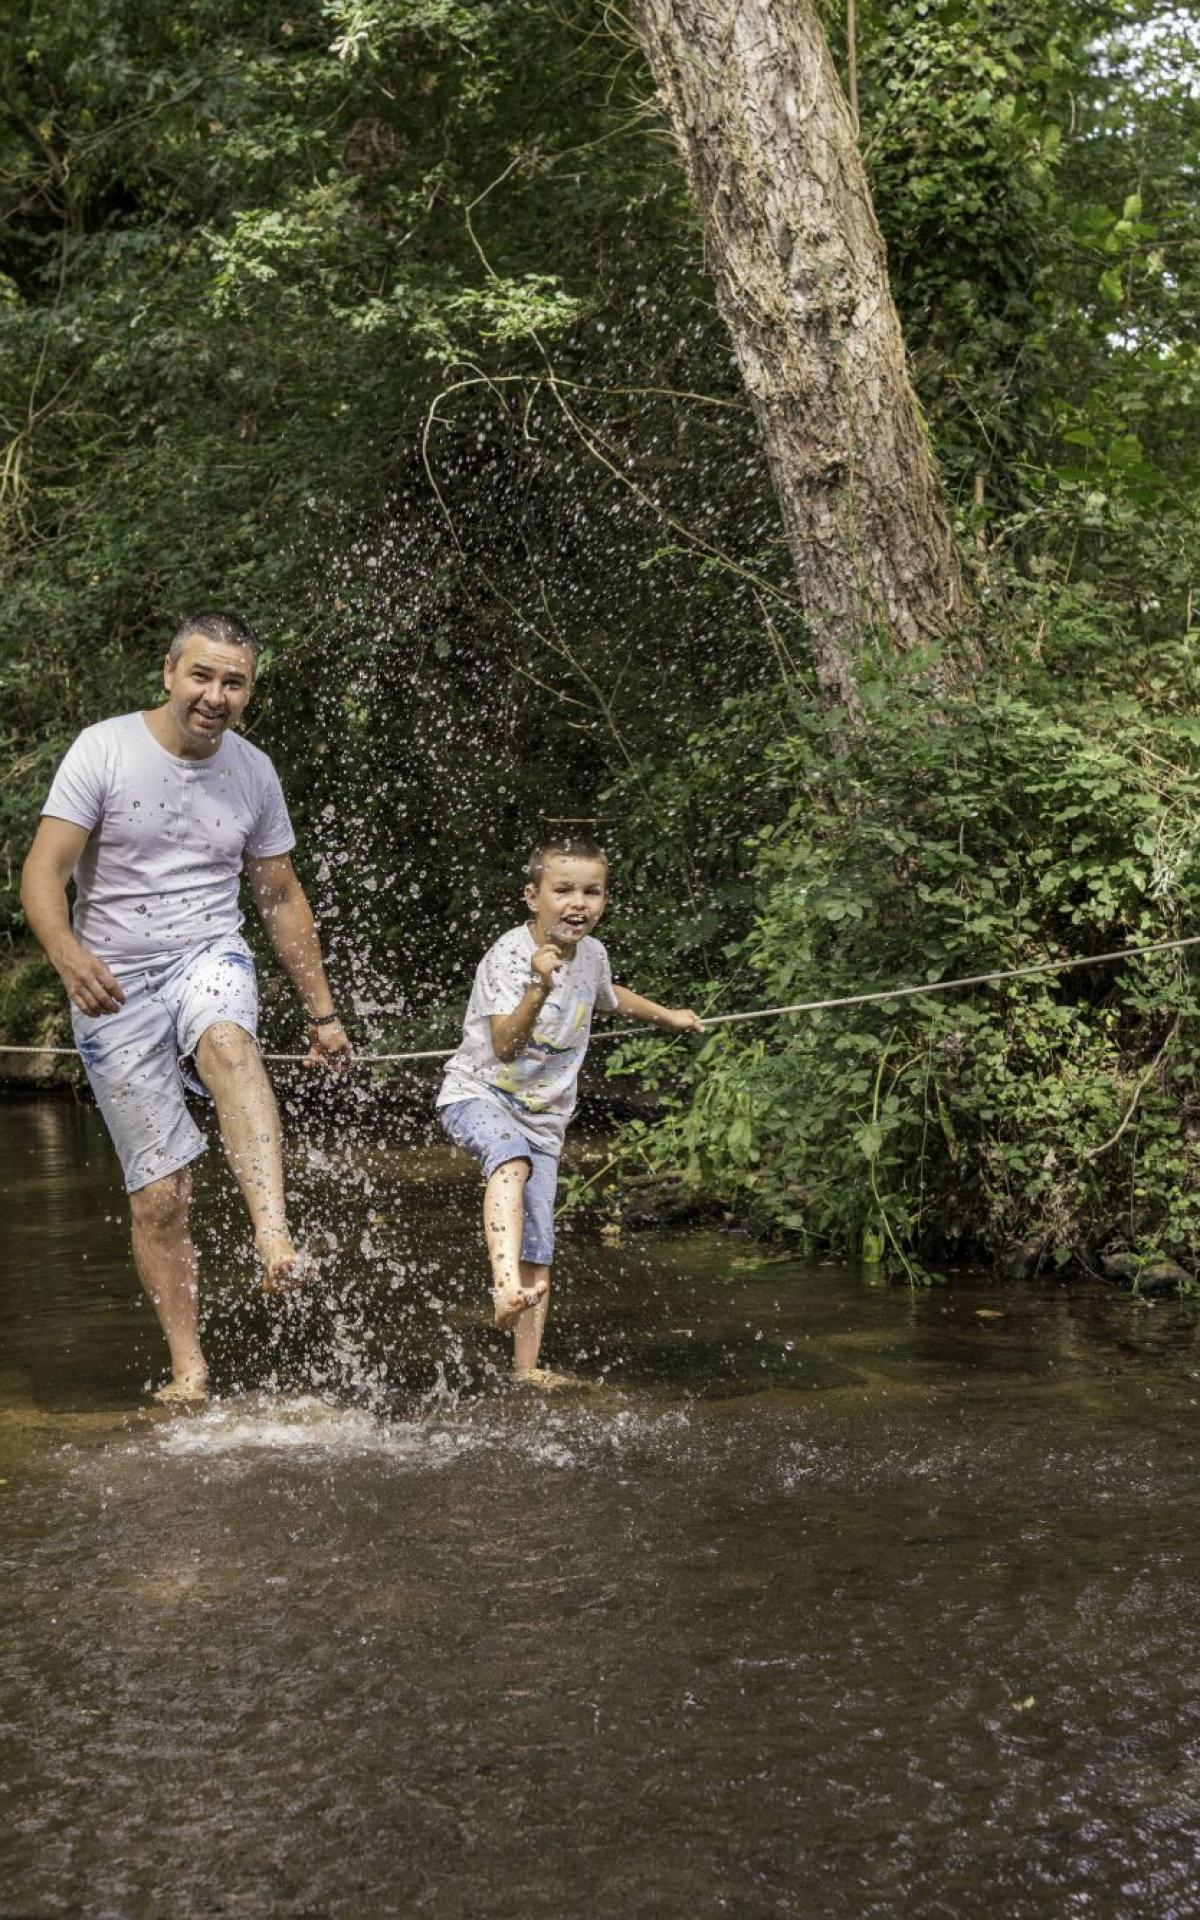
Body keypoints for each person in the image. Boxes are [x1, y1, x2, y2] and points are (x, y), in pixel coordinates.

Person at [20, 612, 351, 1404]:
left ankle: (274, 1239)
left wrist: (323, 1012)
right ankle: (188, 1367)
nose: (215, 695)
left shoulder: (253, 771)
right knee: (161, 1196)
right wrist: (68, 957)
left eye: (233, 682)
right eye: (202, 675)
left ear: (249, 692)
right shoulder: (104, 750)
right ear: (168, 674)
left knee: (231, 1043)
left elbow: (276, 895)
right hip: (113, 981)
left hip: (208, 951)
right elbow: (43, 872)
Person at [436, 833, 703, 1384]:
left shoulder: (595, 955)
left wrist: (666, 1015)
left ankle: (526, 1369)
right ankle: (504, 1285)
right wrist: (539, 984)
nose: (579, 902)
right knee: (508, 1159)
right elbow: (506, 1045)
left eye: (592, 891)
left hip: (546, 1119)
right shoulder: (507, 957)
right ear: (534, 897)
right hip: (478, 1094)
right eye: (564, 890)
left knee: (541, 1246)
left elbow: (608, 995)